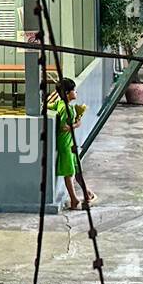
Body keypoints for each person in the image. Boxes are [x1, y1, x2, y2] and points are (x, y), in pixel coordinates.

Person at [47, 77, 96, 210]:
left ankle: (86, 192)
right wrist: (76, 124)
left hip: (70, 143)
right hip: (65, 144)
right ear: (67, 93)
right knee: (69, 173)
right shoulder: (67, 109)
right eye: (74, 90)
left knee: (76, 169)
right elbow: (64, 127)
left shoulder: (61, 104)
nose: (76, 92)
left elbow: (48, 105)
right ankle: (74, 200)